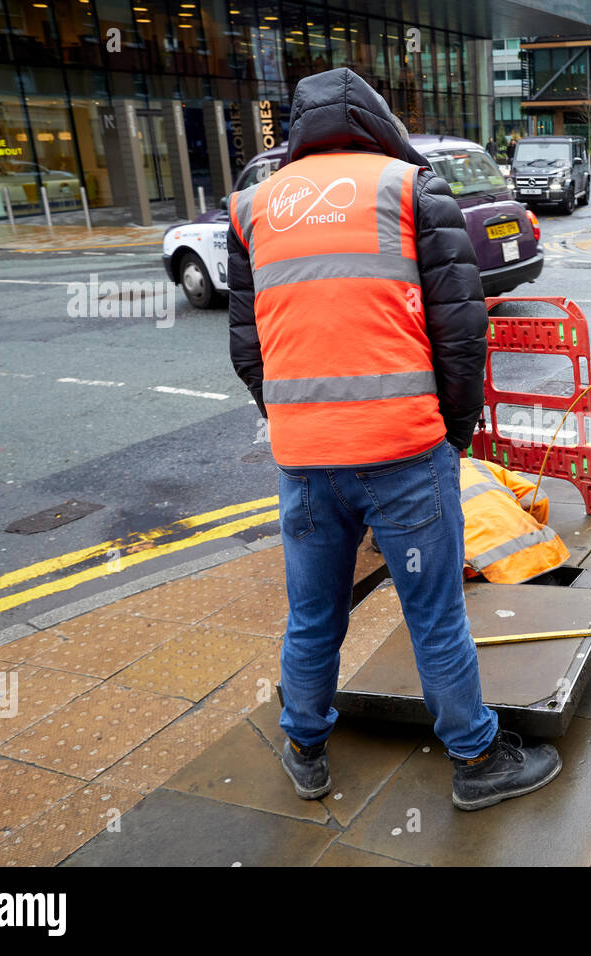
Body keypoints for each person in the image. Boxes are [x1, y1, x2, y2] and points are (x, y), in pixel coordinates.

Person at [227, 67, 562, 812]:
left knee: (314, 612)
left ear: (297, 130)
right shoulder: (411, 189)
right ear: (376, 120)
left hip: (307, 459)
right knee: (435, 612)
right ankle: (476, 761)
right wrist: (454, 434)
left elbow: (248, 348)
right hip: (405, 450)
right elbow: (460, 330)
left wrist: (294, 417)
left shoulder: (252, 207)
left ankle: (305, 749)